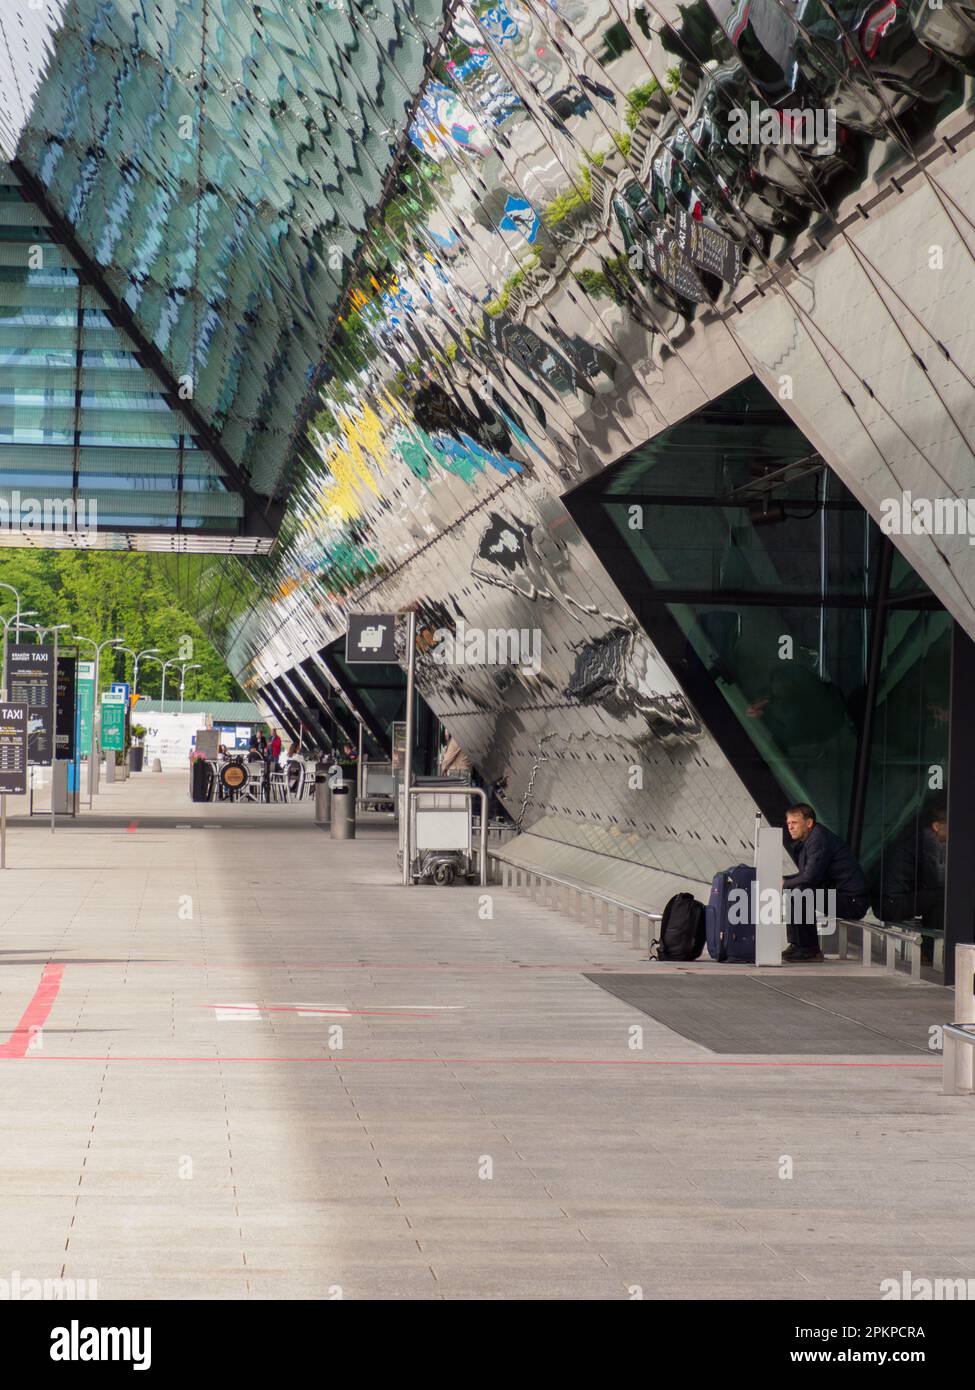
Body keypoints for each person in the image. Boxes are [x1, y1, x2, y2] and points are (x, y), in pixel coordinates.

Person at [782, 803, 868, 962]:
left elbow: (810, 878)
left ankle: (810, 949)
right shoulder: (808, 840)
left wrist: (784, 883)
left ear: (809, 823)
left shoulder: (818, 839)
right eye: (788, 823)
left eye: (794, 823)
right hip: (839, 896)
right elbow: (806, 875)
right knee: (795, 890)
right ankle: (797, 945)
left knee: (801, 892)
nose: (790, 827)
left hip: (853, 901)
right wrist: (785, 881)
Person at [878, 801, 946, 963]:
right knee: (941, 897)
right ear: (937, 826)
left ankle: (929, 950)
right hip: (891, 904)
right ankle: (928, 951)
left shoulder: (918, 839)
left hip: (888, 901)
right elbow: (936, 879)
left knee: (935, 897)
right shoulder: (928, 842)